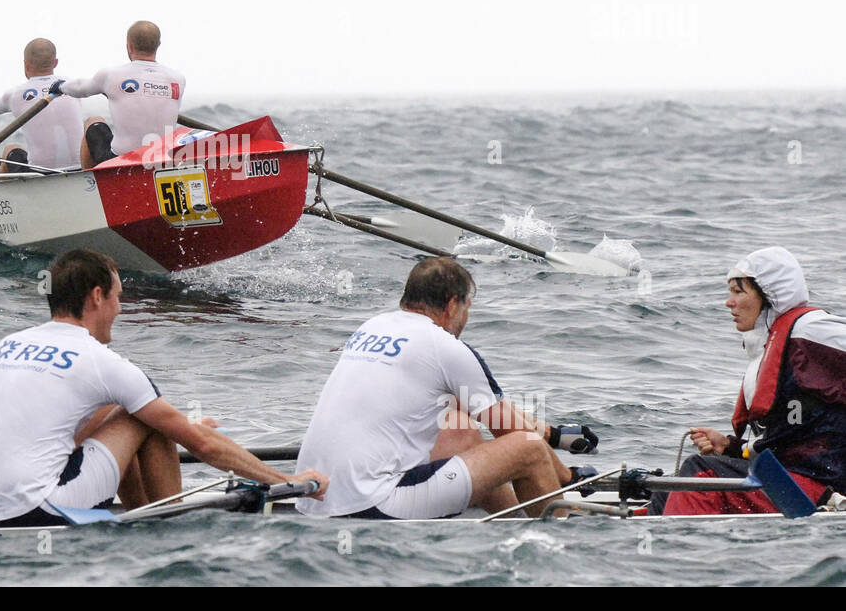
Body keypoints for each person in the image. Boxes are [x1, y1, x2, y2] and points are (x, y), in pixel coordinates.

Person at [0, 249, 327, 527]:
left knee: (130, 411)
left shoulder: (7, 345)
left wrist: (185, 426)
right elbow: (202, 446)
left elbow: (70, 433)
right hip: (39, 511)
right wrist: (289, 480)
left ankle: (146, 520)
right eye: (118, 297)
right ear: (97, 296)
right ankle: (169, 535)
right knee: (146, 417)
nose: (121, 309)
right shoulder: (99, 360)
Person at [294, 257, 600, 520]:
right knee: (529, 450)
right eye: (467, 306)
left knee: (461, 433)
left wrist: (554, 435)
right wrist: (567, 477)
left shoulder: (371, 327)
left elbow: (471, 415)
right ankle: (562, 542)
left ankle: (513, 523)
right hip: (374, 503)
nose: (466, 317)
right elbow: (510, 431)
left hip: (314, 498)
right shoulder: (445, 347)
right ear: (453, 304)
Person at [649, 247, 846, 515]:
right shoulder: (769, 346)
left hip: (819, 487)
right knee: (671, 486)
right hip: (786, 481)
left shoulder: (810, 331)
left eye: (738, 291)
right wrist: (729, 447)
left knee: (700, 472)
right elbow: (788, 443)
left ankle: (673, 550)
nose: (729, 302)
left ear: (771, 295)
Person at [49, 21, 185, 169]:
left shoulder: (111, 75)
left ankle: (90, 183)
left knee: (93, 121)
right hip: (162, 159)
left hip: (121, 160)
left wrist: (60, 86)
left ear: (129, 46)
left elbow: (81, 88)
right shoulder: (178, 79)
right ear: (158, 45)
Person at [0, 38, 83, 173]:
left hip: (40, 171)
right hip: (81, 166)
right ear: (55, 63)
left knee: (11, 148)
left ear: (26, 65)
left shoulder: (14, 94)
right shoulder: (72, 85)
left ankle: (0, 193)